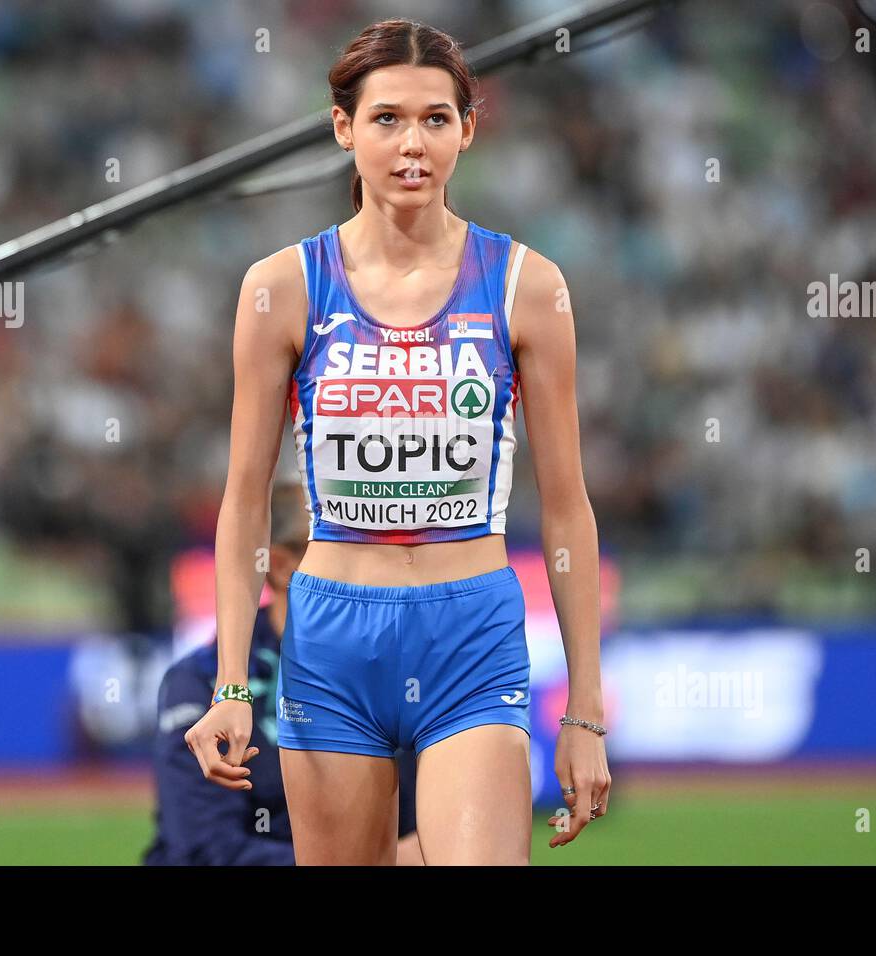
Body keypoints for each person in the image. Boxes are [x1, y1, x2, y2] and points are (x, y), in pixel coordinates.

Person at [186, 17, 608, 865]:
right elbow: (242, 503)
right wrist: (232, 682)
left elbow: (567, 511)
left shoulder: (529, 288)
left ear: (468, 129)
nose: (411, 144)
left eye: (435, 119)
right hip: (331, 639)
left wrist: (586, 713)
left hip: (472, 633)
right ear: (343, 128)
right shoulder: (282, 289)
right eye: (386, 119)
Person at [145, 482, 423, 865]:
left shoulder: (404, 676)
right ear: (279, 567)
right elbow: (204, 849)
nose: (378, 570)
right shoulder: (200, 683)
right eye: (347, 550)